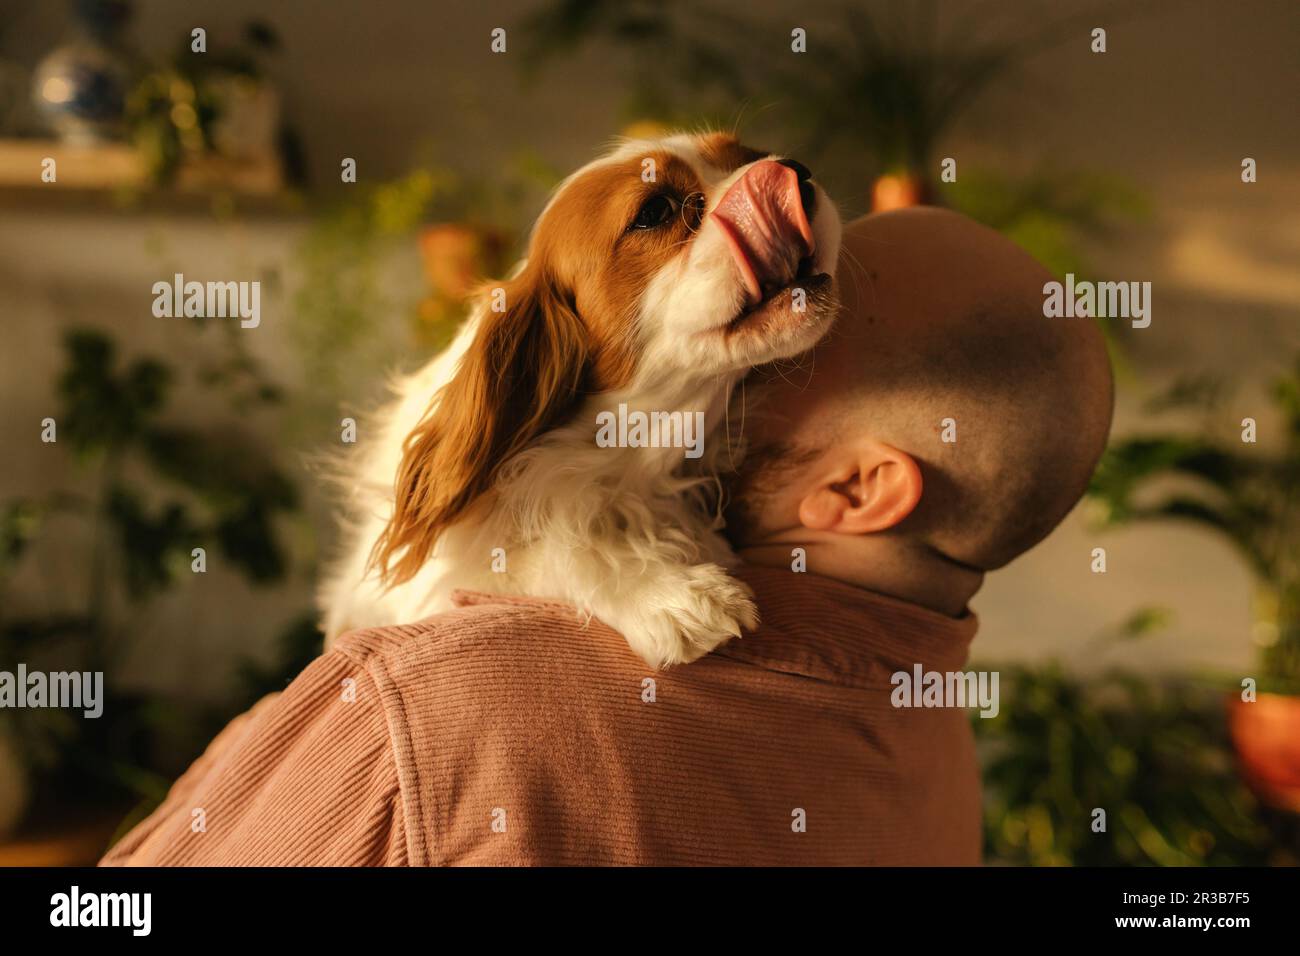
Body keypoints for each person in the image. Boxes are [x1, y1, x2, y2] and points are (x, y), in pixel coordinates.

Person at [101, 207, 1112, 867]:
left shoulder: (449, 703)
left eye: (796, 325)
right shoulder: (927, 734)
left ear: (856, 487)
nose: (735, 321)